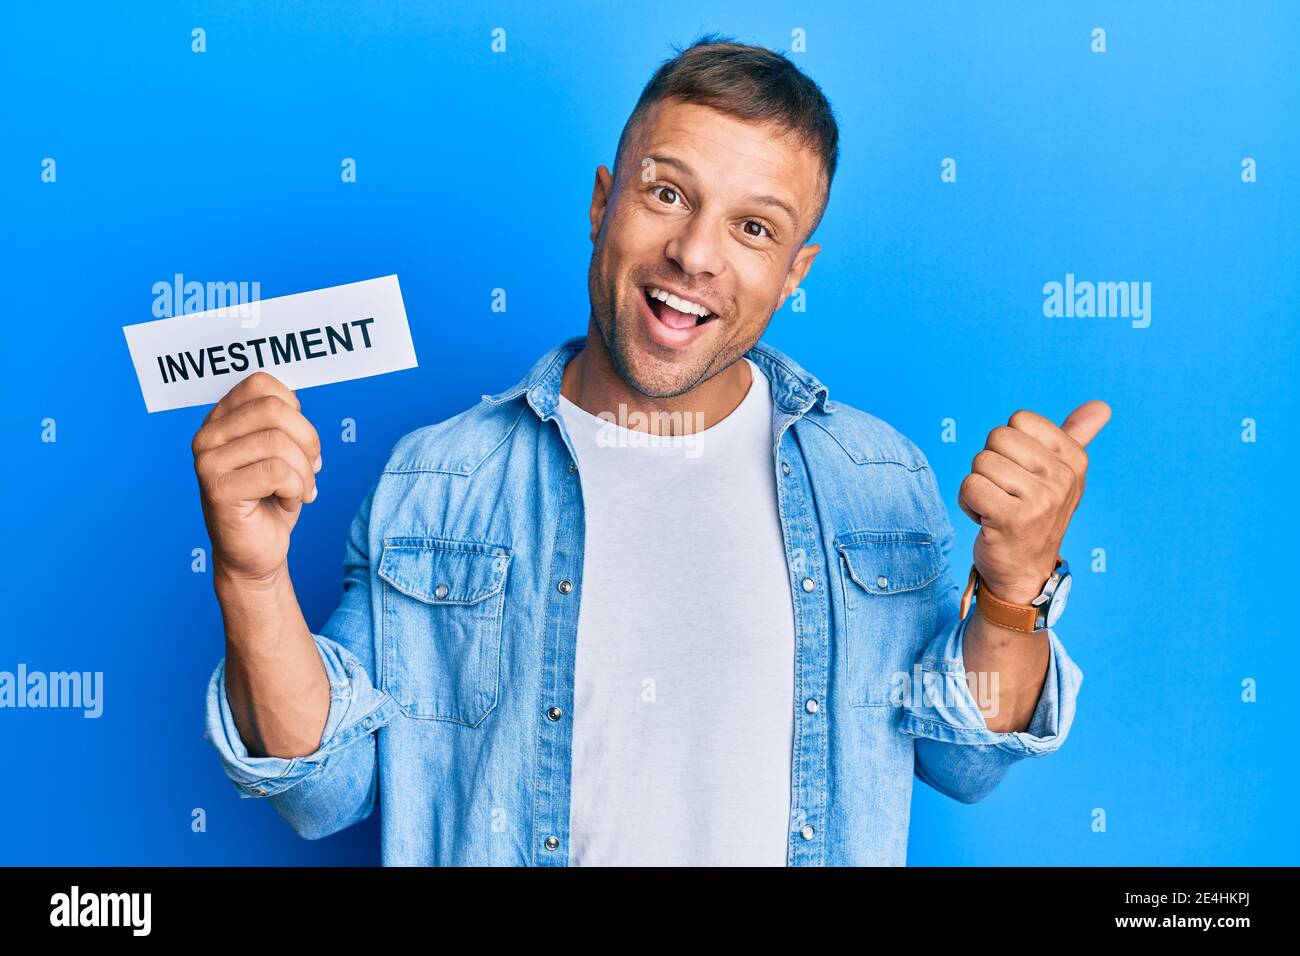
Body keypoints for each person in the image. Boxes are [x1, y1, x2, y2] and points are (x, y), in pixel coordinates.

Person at [197, 35, 1105, 866]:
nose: (695, 254)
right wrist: (249, 576)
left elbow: (964, 758)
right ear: (603, 202)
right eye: (667, 193)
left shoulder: (877, 482)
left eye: (755, 228)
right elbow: (325, 789)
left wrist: (1017, 588)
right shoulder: (440, 478)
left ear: (796, 271)